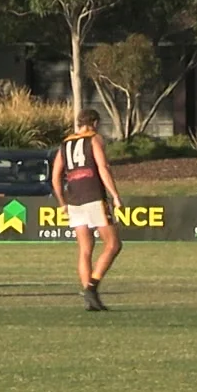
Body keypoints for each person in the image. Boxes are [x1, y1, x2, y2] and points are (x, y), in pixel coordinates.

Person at [52, 108, 122, 312]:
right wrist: (115, 195)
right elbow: (103, 167)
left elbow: (55, 176)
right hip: (93, 196)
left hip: (74, 199)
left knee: (85, 250)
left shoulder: (65, 143)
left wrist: (62, 202)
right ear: (95, 123)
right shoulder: (95, 139)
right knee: (113, 244)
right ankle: (92, 287)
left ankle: (88, 297)